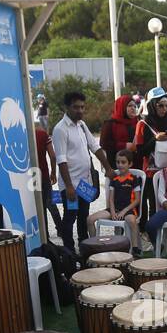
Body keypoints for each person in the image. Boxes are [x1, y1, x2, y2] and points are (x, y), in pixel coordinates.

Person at [51, 90, 113, 252]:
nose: (80, 110)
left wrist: (108, 168)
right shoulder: (60, 129)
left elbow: (95, 147)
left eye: (82, 107)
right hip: (71, 186)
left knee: (83, 216)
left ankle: (84, 247)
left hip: (84, 183)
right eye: (75, 107)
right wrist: (69, 187)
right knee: (70, 217)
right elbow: (61, 160)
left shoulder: (81, 125)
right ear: (67, 108)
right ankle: (69, 252)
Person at [88, 149, 142, 253]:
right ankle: (93, 247)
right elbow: (111, 199)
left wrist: (123, 211)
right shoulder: (114, 180)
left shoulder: (134, 179)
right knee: (90, 219)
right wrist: (112, 212)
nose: (120, 165)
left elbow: (137, 200)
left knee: (132, 221)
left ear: (130, 164)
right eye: (118, 162)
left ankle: (135, 249)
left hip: (128, 210)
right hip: (114, 209)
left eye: (123, 162)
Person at [134, 86, 167, 177]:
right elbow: (140, 153)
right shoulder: (142, 124)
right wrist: (155, 139)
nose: (164, 109)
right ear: (152, 105)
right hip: (151, 174)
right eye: (160, 105)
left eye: (166, 105)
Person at [34, 119, 63, 240]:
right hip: (44, 175)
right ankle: (60, 229)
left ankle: (43, 234)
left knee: (37, 207)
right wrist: (53, 173)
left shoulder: (22, 137)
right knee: (50, 203)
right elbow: (53, 155)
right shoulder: (42, 135)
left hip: (29, 178)